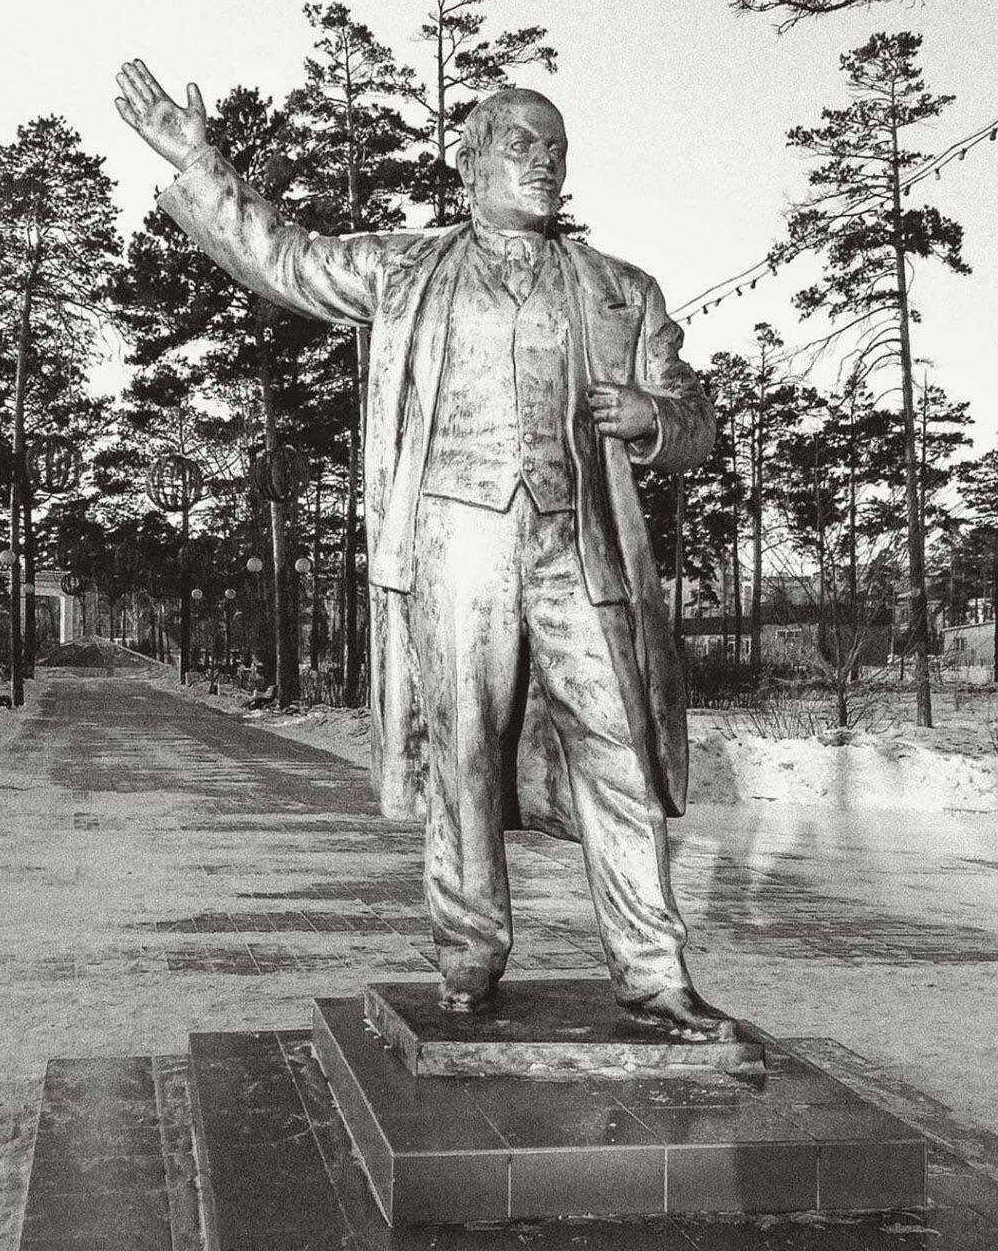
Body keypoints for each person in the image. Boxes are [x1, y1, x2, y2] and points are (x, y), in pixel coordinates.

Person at [115, 61, 728, 1032]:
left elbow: (695, 416)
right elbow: (289, 257)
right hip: (456, 540)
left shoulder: (621, 291)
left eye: (556, 148)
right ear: (471, 161)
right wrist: (200, 162)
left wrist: (653, 414)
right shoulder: (409, 270)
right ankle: (469, 961)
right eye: (521, 144)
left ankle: (654, 976)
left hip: (579, 552)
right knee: (465, 758)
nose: (544, 163)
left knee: (616, 756)